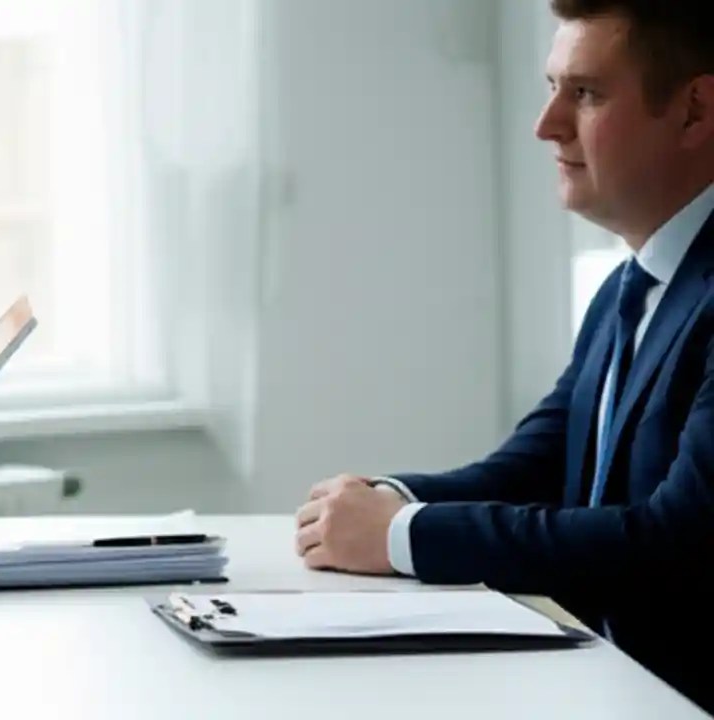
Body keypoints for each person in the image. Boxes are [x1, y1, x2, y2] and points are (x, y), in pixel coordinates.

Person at [293, 0, 714, 710]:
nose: (545, 126)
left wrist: (401, 536)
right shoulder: (631, 285)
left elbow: (676, 542)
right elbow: (537, 468)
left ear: (695, 111)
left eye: (585, 93)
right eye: (552, 88)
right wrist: (387, 500)